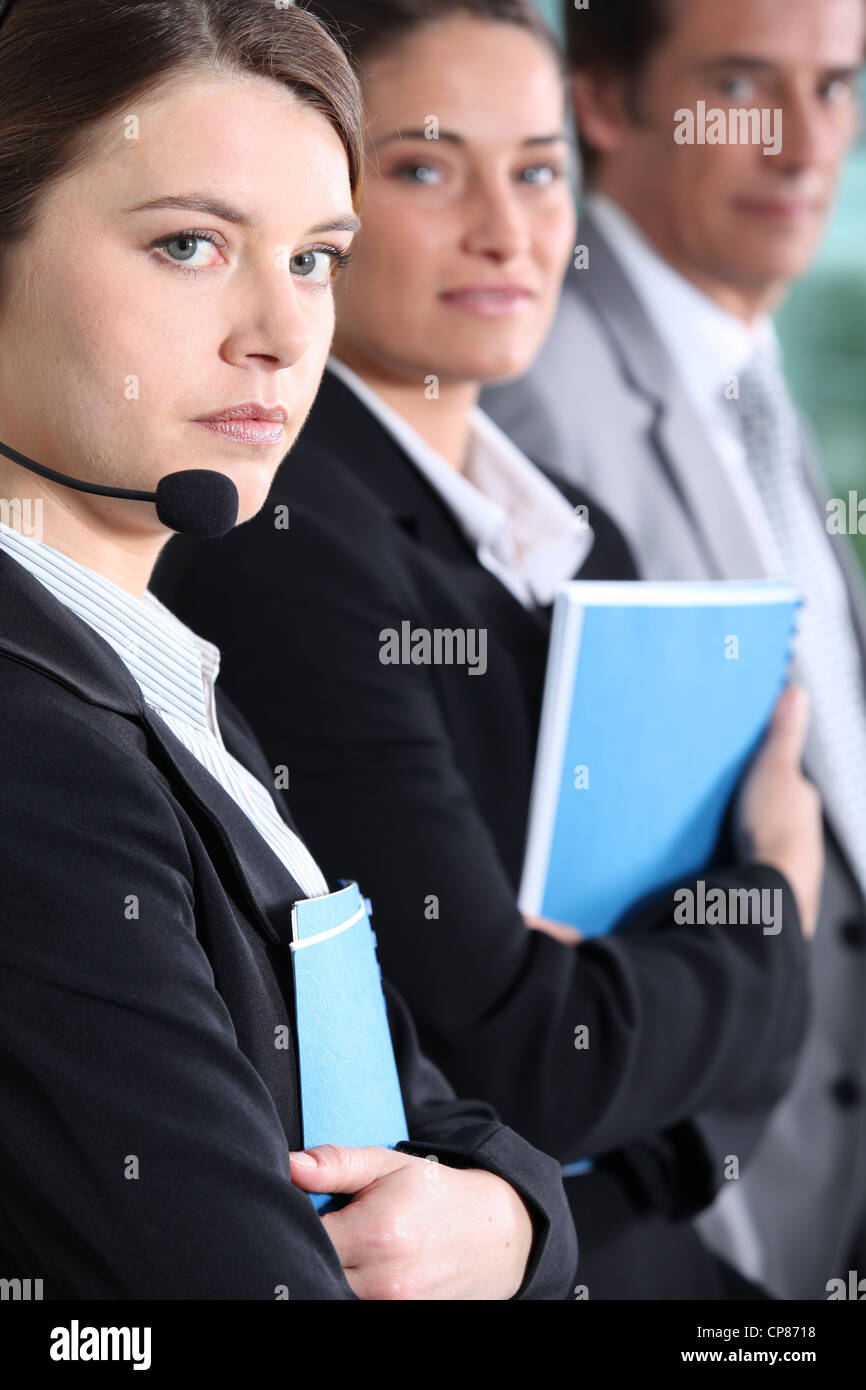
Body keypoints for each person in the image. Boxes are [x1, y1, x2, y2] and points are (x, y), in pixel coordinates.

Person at [153, 0, 822, 1299]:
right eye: (422, 167)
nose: (505, 230)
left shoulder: (580, 533)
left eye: (534, 170)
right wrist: (774, 911)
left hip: (611, 1248)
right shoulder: (281, 541)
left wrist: (607, 1148)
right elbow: (532, 1061)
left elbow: (675, 1076)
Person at [0, 0, 582, 1301]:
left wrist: (512, 1219)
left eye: (315, 256)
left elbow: (435, 1111)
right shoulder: (36, 747)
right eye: (190, 244)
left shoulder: (148, 671)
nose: (278, 327)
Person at [481, 0, 866, 1300]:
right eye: (744, 87)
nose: (805, 143)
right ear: (601, 99)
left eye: (835, 85)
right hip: (679, 1192)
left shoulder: (740, 361)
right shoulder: (529, 377)